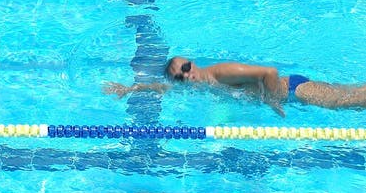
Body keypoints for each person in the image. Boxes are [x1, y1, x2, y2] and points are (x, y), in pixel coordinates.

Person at [102, 56, 366, 116]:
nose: (186, 75)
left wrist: (271, 99)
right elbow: (162, 88)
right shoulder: (199, 85)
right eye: (180, 76)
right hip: (294, 97)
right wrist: (130, 89)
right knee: (354, 95)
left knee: (352, 101)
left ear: (192, 64)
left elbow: (269, 72)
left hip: (297, 91)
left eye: (186, 67)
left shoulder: (221, 73)